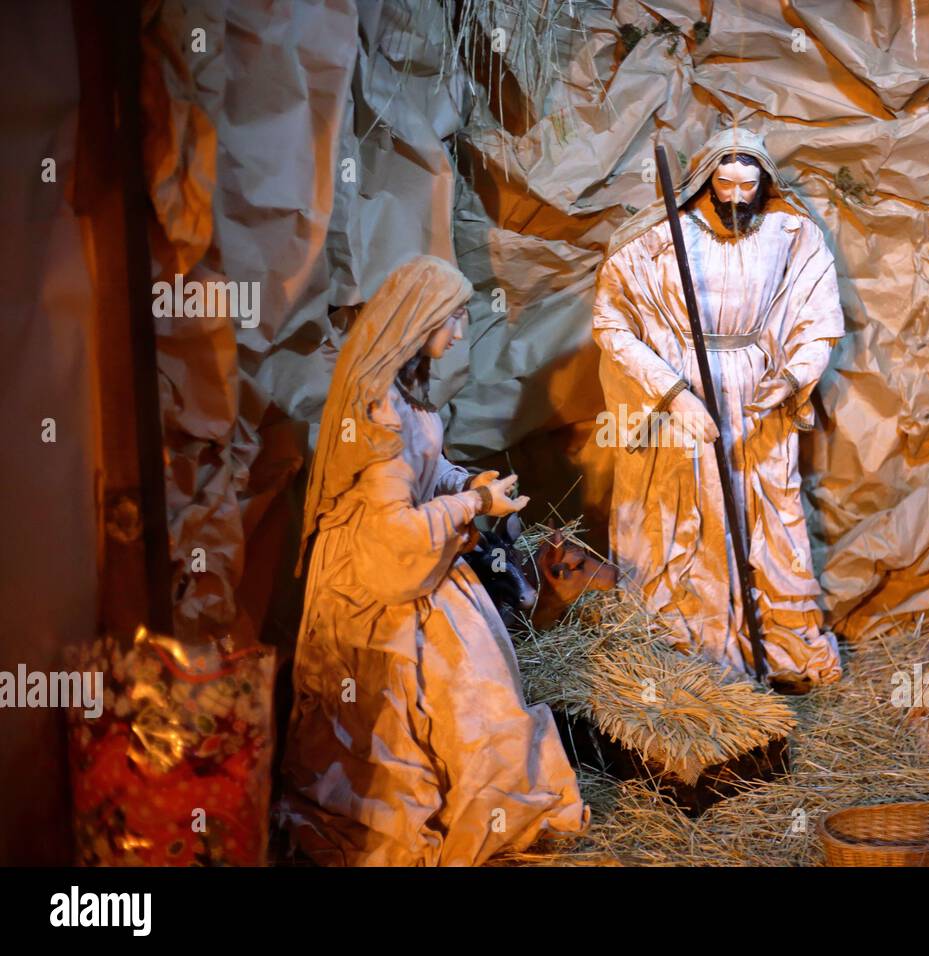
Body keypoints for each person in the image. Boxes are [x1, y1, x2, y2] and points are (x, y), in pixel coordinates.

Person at [281, 255, 588, 865]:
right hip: (378, 583)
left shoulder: (406, 394)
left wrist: (470, 484)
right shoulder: (378, 411)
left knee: (479, 693)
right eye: (453, 317)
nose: (459, 330)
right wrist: (474, 501)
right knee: (417, 714)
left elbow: (423, 475)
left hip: (419, 565)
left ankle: (486, 797)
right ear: (419, 321)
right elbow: (390, 527)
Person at [592, 126, 845, 691]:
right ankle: (695, 654)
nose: (735, 197)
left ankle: (775, 648)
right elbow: (612, 323)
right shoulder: (660, 240)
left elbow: (820, 318)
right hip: (686, 397)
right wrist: (672, 393)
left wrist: (792, 378)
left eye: (748, 186)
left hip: (758, 401)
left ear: (764, 184)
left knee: (767, 521)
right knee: (686, 519)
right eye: (725, 183)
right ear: (705, 179)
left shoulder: (791, 233)